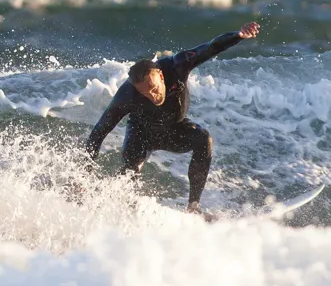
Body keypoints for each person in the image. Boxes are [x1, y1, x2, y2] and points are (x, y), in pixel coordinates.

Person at [84, 22, 260, 212]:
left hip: (174, 129)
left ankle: (193, 207)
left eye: (153, 88)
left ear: (160, 74)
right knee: (131, 167)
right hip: (141, 133)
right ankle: (109, 207)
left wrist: (238, 35)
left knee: (203, 140)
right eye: (145, 94)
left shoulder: (177, 66)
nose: (152, 96)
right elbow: (98, 133)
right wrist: (84, 175)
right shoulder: (127, 95)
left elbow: (210, 48)